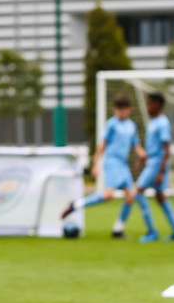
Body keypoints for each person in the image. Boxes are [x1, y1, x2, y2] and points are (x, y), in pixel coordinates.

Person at [62, 93, 147, 237]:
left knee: (130, 197)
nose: (120, 112)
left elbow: (136, 145)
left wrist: (143, 154)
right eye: (117, 109)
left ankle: (118, 229)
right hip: (112, 161)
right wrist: (96, 164)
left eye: (123, 109)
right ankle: (76, 205)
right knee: (108, 195)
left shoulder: (132, 126)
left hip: (123, 163)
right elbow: (102, 145)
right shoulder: (111, 124)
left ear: (129, 109)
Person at [132, 92, 174, 242]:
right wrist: (142, 160)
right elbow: (153, 147)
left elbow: (166, 149)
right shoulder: (153, 122)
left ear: (158, 105)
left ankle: (151, 231)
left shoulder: (162, 123)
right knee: (160, 197)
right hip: (152, 162)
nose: (147, 107)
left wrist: (161, 171)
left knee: (139, 192)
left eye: (149, 103)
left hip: (157, 164)